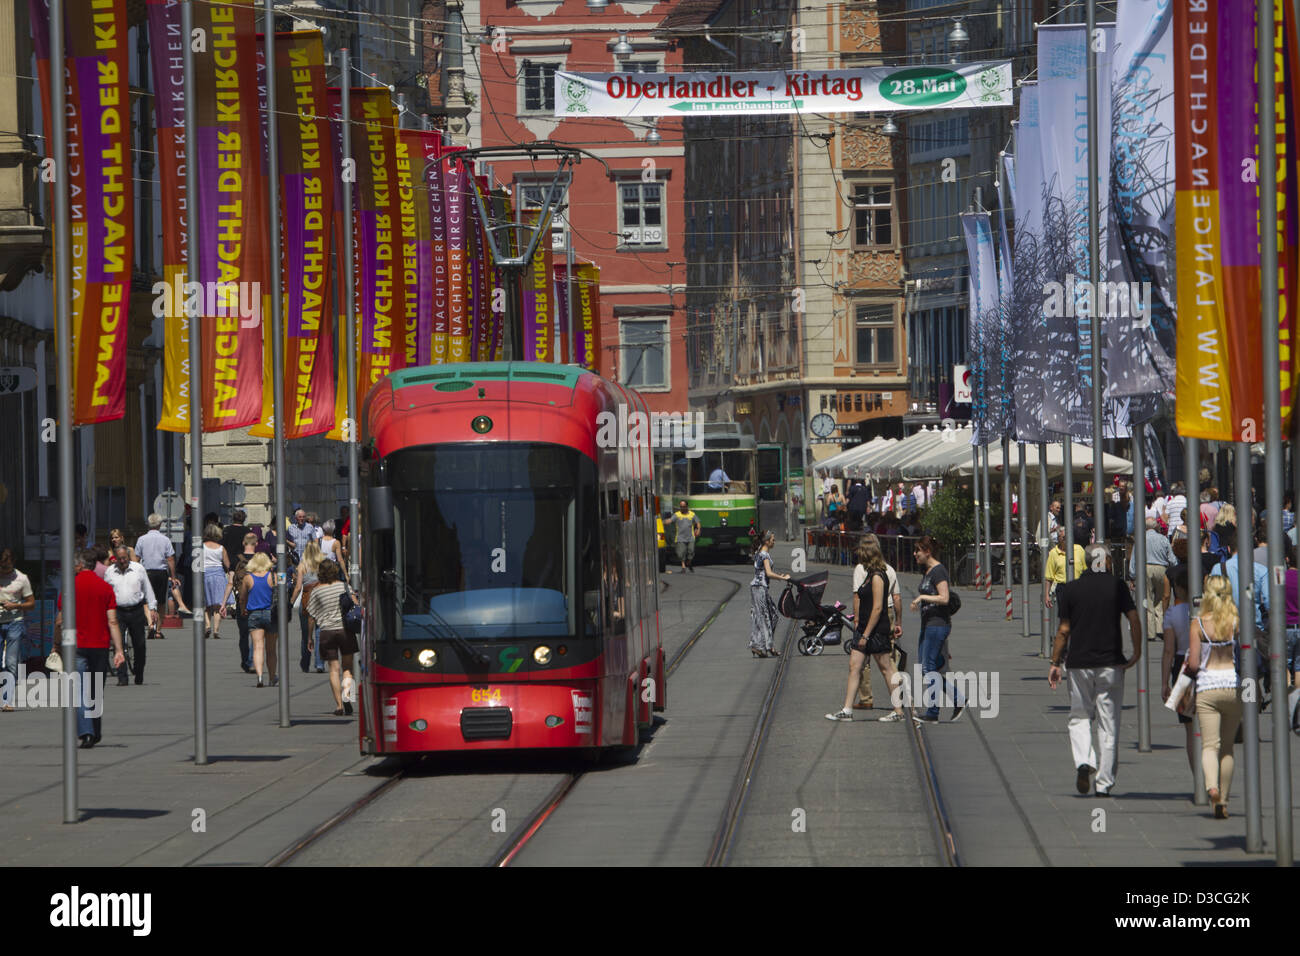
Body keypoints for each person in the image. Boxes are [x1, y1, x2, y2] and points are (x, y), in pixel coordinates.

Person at [1048, 543, 1141, 797]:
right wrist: (1137, 651)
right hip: (1111, 662)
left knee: (1079, 716)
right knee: (1108, 723)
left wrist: (1055, 662)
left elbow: (1064, 630)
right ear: (1106, 561)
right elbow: (1133, 618)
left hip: (1078, 663)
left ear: (1087, 562)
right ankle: (1104, 783)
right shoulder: (1117, 586)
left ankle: (1083, 761)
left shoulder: (1071, 589)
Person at [828, 535, 905, 722]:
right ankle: (847, 709)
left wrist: (865, 634)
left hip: (875, 629)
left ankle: (898, 711)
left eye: (861, 552)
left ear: (868, 554)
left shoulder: (878, 576)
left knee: (886, 668)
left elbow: (878, 608)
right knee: (855, 666)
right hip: (864, 627)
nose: (858, 555)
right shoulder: (869, 574)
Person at [54, 550, 125, 748]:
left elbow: (60, 621)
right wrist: (119, 649)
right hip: (100, 646)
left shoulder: (69, 588)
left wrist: (56, 645)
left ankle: (86, 733)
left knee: (79, 691)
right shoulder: (105, 588)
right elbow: (113, 621)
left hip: (76, 645)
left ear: (79, 565)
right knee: (95, 690)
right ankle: (95, 730)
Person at [1186, 576, 1243, 818]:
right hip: (1232, 686)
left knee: (1209, 745)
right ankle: (1225, 799)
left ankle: (1212, 788)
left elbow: (1195, 663)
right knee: (1227, 748)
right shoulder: (1235, 622)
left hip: (1207, 689)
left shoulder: (1198, 624)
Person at [910, 535, 962, 723]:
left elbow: (944, 597)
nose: (915, 554)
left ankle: (933, 712)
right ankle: (958, 699)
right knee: (927, 668)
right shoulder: (928, 571)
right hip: (929, 625)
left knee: (929, 668)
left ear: (927, 551)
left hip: (938, 625)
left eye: (918, 550)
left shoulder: (939, 571)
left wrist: (922, 598)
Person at [851, 535, 901, 713]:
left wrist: (857, 620)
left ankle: (866, 698)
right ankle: (897, 688)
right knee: (888, 657)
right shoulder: (890, 569)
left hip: (869, 616)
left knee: (865, 662)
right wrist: (899, 621)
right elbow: (896, 597)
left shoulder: (861, 569)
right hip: (888, 615)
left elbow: (857, 596)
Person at [1159, 565, 1197, 784]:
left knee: (1190, 731)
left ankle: (1198, 782)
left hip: (1182, 668)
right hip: (1207, 665)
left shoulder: (1173, 613)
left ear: (1179, 589)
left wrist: (1165, 683)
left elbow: (1168, 651)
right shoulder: (1208, 609)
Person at [103, 545, 158, 685]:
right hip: (118, 612)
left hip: (136, 610)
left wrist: (152, 608)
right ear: (115, 558)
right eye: (119, 559)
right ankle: (122, 677)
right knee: (118, 644)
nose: (122, 561)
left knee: (139, 644)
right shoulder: (109, 572)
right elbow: (104, 593)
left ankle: (139, 672)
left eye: (124, 558)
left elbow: (148, 588)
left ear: (128, 557)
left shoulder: (138, 569)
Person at [306, 559, 354, 715]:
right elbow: (355, 603)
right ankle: (348, 696)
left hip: (327, 631)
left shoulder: (317, 590)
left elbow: (311, 616)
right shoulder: (344, 586)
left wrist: (309, 637)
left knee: (334, 669)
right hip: (345, 630)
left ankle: (339, 705)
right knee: (348, 667)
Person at [1128, 517, 1176, 641]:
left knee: (1147, 600)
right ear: (1155, 527)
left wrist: (1132, 576)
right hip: (1161, 569)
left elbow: (1134, 559)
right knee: (1160, 599)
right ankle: (1160, 628)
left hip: (1145, 568)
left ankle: (1150, 632)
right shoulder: (1163, 539)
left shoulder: (1139, 539)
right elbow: (1171, 559)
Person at [0, 548, 35, 712]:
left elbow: (31, 603)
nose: (3, 570)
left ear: (13, 563)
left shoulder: (22, 579)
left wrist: (15, 605)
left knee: (11, 662)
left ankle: (7, 699)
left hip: (15, 622)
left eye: (6, 567)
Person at [240, 552, 280, 688]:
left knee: (258, 647)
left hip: (254, 614)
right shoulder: (273, 577)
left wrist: (243, 609)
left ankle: (260, 676)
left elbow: (242, 597)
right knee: (271, 650)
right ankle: (272, 676)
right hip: (271, 614)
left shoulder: (248, 578)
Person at [224, 533, 261, 674]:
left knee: (243, 633)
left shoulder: (235, 560)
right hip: (258, 600)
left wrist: (224, 603)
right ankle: (252, 660)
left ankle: (246, 660)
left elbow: (230, 583)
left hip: (241, 601)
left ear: (243, 543)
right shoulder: (261, 560)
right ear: (256, 544)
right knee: (256, 633)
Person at [748, 530, 789, 659]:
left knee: (772, 615)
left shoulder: (761, 551)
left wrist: (779, 576)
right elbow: (769, 573)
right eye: (773, 539)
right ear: (767, 541)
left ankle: (762, 645)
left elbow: (766, 572)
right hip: (759, 588)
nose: (774, 541)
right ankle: (764, 646)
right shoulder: (764, 554)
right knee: (763, 617)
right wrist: (783, 578)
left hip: (761, 588)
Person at [290, 541, 325, 673]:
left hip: (307, 599)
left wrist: (291, 602)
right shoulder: (322, 565)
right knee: (319, 631)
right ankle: (320, 663)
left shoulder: (302, 565)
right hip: (320, 599)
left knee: (305, 634)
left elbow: (298, 587)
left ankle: (305, 662)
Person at [134, 514, 178, 619]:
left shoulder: (141, 539)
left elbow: (137, 558)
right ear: (160, 525)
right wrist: (173, 577)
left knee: (146, 600)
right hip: (161, 573)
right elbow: (170, 559)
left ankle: (150, 623)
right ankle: (158, 630)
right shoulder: (165, 540)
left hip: (146, 573)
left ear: (148, 524)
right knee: (161, 602)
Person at [1044, 527, 1086, 626]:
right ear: (1058, 538)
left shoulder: (1079, 549)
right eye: (1063, 538)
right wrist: (1046, 595)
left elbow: (1086, 569)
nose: (1066, 540)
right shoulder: (1053, 553)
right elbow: (1049, 577)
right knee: (1065, 617)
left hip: (1078, 586)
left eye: (1068, 537)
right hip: (1063, 588)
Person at [200, 523, 231, 640]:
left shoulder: (201, 547)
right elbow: (227, 564)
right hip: (218, 575)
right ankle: (216, 630)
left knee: (206, 604)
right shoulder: (221, 548)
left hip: (205, 575)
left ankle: (207, 626)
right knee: (218, 604)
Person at [671, 500, 700, 574]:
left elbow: (698, 522)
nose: (682, 508)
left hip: (690, 537)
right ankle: (683, 567)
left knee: (691, 551)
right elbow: (670, 520)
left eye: (683, 507)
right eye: (681, 507)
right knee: (681, 553)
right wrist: (663, 521)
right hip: (680, 537)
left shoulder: (692, 514)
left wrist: (698, 529)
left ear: (687, 507)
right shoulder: (677, 514)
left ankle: (689, 562)